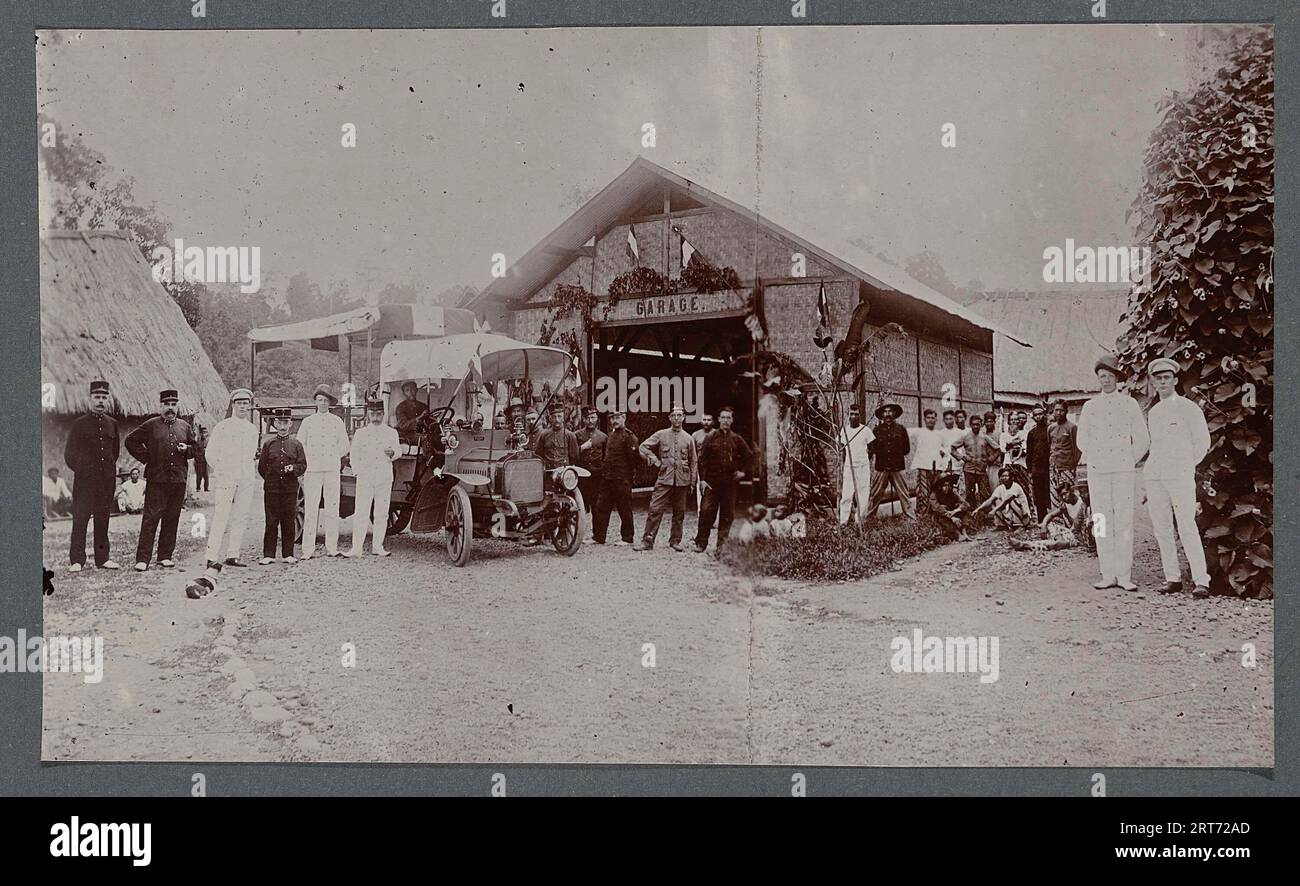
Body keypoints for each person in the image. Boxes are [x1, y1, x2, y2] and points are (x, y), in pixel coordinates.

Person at [1077, 354, 1148, 592]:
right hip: (1099, 471)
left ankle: (1124, 575)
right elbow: (1082, 440)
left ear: (1118, 379)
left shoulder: (1129, 405)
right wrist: (1097, 457)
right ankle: (1107, 574)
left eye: (1110, 376)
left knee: (1123, 520)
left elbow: (1142, 439)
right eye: (1102, 376)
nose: (1106, 380)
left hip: (1123, 470)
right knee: (1101, 520)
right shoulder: (1090, 406)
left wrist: (1128, 459)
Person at [1144, 356, 1212, 598]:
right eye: (1158, 378)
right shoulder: (1154, 412)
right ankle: (1172, 578)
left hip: (1180, 475)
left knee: (1186, 525)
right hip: (1155, 476)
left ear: (1175, 380)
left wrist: (1185, 465)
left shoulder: (1188, 408)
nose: (1162, 382)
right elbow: (1154, 446)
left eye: (1166, 378)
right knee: (1161, 527)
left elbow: (1203, 442)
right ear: (1153, 382)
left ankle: (1201, 580)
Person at [125, 389, 197, 571]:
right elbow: (130, 441)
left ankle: (165, 556)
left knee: (172, 518)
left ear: (177, 406)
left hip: (178, 480)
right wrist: (148, 457)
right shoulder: (150, 425)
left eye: (173, 405)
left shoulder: (185, 427)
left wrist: (186, 449)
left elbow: (196, 449)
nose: (170, 408)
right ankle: (142, 559)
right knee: (150, 518)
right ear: (161, 406)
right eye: (167, 405)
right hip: (157, 480)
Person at [64, 380, 121, 571]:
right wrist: (84, 471)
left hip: (106, 481)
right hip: (85, 482)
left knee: (103, 518)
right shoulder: (78, 425)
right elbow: (70, 455)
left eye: (104, 398)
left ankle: (102, 558)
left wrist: (107, 472)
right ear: (90, 399)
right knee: (80, 519)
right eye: (97, 397)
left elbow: (115, 452)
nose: (100, 401)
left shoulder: (112, 424)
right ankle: (77, 560)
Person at [203, 388, 259, 570]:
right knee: (221, 515)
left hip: (246, 476)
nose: (243, 407)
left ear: (249, 406)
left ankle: (233, 554)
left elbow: (251, 455)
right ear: (233, 405)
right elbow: (210, 453)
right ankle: (211, 556)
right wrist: (221, 469)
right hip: (227, 476)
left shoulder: (252, 429)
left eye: (246, 404)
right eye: (239, 403)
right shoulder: (223, 426)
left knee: (241, 515)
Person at [298, 383, 351, 558]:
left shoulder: (337, 421)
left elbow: (345, 445)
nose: (322, 403)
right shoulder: (308, 422)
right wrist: (309, 458)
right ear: (315, 402)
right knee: (311, 508)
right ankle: (308, 549)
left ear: (330, 403)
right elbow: (300, 445)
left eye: (325, 400)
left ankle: (332, 548)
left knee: (332, 507)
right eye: (319, 400)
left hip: (331, 469)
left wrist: (333, 455)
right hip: (312, 470)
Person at [634, 404, 697, 551]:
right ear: (669, 418)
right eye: (673, 415)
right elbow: (643, 447)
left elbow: (693, 461)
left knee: (679, 512)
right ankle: (647, 541)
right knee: (655, 509)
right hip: (664, 479)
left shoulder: (688, 439)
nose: (676, 418)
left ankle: (675, 540)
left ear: (683, 417)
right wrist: (655, 460)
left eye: (679, 415)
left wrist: (692, 482)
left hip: (682, 480)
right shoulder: (661, 434)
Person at [693, 405, 753, 555]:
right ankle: (701, 543)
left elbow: (750, 456)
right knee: (706, 511)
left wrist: (743, 472)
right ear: (718, 419)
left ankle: (722, 546)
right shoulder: (710, 437)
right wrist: (703, 480)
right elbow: (702, 460)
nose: (725, 420)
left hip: (729, 483)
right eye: (723, 417)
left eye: (728, 417)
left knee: (727, 515)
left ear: (732, 420)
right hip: (712, 483)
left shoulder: (736, 439)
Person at [347, 399, 400, 557]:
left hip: (384, 476)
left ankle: (378, 546)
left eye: (378, 414)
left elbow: (398, 451)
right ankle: (356, 548)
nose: (375, 417)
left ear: (383, 414)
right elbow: (354, 454)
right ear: (368, 415)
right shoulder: (361, 433)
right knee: (362, 512)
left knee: (382, 513)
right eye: (372, 414)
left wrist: (393, 454)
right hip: (366, 477)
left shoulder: (391, 432)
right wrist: (358, 472)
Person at [258, 408, 306, 564]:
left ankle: (288, 554)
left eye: (286, 422)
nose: (283, 426)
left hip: (290, 490)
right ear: (275, 424)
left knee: (288, 521)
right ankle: (269, 555)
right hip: (272, 489)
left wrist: (293, 469)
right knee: (271, 521)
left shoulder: (296, 444)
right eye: (280, 422)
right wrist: (271, 480)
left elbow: (303, 465)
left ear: (290, 424)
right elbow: (262, 467)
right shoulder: (268, 444)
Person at [592, 409, 640, 545]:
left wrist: (626, 476)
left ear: (624, 418)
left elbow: (634, 460)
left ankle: (627, 538)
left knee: (624, 508)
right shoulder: (611, 435)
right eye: (612, 418)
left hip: (622, 478)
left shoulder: (629, 437)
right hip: (608, 478)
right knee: (601, 507)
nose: (614, 421)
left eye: (617, 417)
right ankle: (599, 537)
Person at [865, 402, 914, 520]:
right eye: (885, 412)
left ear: (895, 414)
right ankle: (869, 519)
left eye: (890, 411)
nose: (888, 414)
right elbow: (872, 449)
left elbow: (906, 449)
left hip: (897, 467)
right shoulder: (876, 430)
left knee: (904, 494)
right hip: (881, 468)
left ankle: (912, 519)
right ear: (882, 415)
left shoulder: (901, 429)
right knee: (875, 495)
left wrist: (895, 455)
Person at [838, 403, 874, 525]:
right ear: (848, 415)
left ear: (860, 416)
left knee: (863, 495)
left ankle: (859, 521)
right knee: (846, 495)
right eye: (851, 414)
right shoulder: (844, 431)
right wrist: (846, 462)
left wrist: (865, 459)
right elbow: (842, 448)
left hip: (863, 467)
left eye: (856, 414)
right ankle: (843, 522)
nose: (853, 417)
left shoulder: (865, 431)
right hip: (849, 466)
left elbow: (872, 448)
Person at [952, 413, 998, 509]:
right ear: (970, 425)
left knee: (985, 494)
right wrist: (961, 457)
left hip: (981, 469)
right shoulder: (966, 437)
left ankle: (984, 516)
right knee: (970, 494)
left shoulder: (985, 437)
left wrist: (990, 459)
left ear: (981, 425)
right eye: (973, 424)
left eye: (978, 424)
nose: (976, 426)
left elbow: (998, 450)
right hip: (969, 469)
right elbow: (952, 448)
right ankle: (971, 516)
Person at [1038, 477, 1095, 551]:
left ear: (1072, 491)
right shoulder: (1065, 505)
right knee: (1050, 525)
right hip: (1073, 531)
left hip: (1081, 532)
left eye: (1065, 494)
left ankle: (1061, 542)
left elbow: (1077, 525)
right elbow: (1050, 515)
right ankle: (1060, 541)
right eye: (1061, 496)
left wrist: (1067, 515)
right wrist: (1043, 525)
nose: (1064, 497)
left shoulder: (1082, 503)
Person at [575, 406, 606, 535]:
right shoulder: (577, 435)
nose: (590, 420)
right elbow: (572, 454)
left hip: (597, 477)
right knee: (578, 506)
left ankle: (597, 535)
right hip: (581, 476)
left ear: (597, 419)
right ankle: (577, 534)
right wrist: (582, 447)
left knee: (597, 506)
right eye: (587, 418)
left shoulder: (603, 437)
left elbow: (606, 456)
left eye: (593, 417)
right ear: (583, 419)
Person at [1047, 399, 1081, 510]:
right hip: (1053, 468)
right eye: (1056, 410)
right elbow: (1049, 446)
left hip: (1067, 468)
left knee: (1068, 496)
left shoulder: (1072, 427)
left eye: (1061, 410)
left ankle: (1072, 522)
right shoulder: (1051, 428)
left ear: (1066, 411)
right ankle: (1058, 523)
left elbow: (1077, 449)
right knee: (1054, 495)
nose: (1058, 413)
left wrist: (1072, 465)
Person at [999, 411, 1034, 519]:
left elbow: (1026, 450)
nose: (1014, 421)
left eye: (1016, 419)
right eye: (1012, 419)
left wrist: (1015, 448)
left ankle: (1026, 513)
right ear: (1008, 421)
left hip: (1021, 464)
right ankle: (1010, 515)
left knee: (1023, 489)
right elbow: (1003, 449)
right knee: (1008, 489)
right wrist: (1014, 445)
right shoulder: (1004, 435)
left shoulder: (1025, 433)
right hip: (1008, 464)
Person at [911, 408, 944, 515]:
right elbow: (903, 433)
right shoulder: (919, 432)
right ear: (924, 419)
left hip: (936, 467)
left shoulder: (939, 434)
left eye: (933, 418)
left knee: (935, 491)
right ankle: (922, 514)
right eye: (928, 418)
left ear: (936, 420)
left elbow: (944, 449)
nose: (930, 420)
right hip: (923, 467)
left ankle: (935, 513)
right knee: (923, 492)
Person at [1025, 403, 1052, 521]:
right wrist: (1030, 470)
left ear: (1044, 414)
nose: (1038, 417)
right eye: (1035, 415)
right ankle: (1042, 520)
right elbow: (1029, 453)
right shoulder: (1031, 433)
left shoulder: (1050, 430)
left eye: (1040, 414)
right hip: (1037, 468)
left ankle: (1054, 518)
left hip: (1049, 467)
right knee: (1039, 494)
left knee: (1050, 492)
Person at [533, 403, 580, 469]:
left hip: (563, 471)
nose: (557, 420)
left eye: (559, 416)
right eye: (554, 417)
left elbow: (574, 457)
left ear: (563, 418)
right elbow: (539, 454)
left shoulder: (570, 435)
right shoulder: (544, 435)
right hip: (548, 471)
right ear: (550, 419)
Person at [927, 472, 971, 541]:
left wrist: (955, 511)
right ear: (940, 486)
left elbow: (966, 504)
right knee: (943, 519)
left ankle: (964, 532)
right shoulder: (934, 495)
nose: (947, 488)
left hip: (952, 512)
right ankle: (958, 535)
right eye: (944, 485)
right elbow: (937, 508)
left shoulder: (952, 493)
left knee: (963, 511)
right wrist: (952, 517)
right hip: (942, 515)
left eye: (948, 485)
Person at [394, 380, 429, 445]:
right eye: (407, 390)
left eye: (413, 389)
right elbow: (403, 426)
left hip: (421, 432)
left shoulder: (423, 406)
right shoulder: (401, 407)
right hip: (406, 435)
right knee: (426, 438)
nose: (411, 392)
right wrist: (419, 418)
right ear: (403, 393)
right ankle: (428, 455)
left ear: (416, 390)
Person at [692, 413, 714, 507]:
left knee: (715, 492)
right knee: (700, 491)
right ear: (701, 421)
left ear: (713, 422)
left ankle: (715, 520)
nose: (706, 422)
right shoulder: (695, 435)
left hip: (714, 467)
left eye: (709, 420)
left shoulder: (717, 434)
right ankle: (701, 515)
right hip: (700, 467)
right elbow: (692, 452)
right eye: (704, 420)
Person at [192, 416, 210, 493]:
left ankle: (206, 488)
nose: (205, 434)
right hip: (199, 462)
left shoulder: (207, 442)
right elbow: (195, 452)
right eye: (203, 433)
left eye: (206, 433)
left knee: (206, 476)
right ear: (201, 433)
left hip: (205, 461)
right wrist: (199, 457)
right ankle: (198, 488)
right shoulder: (197, 442)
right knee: (199, 476)